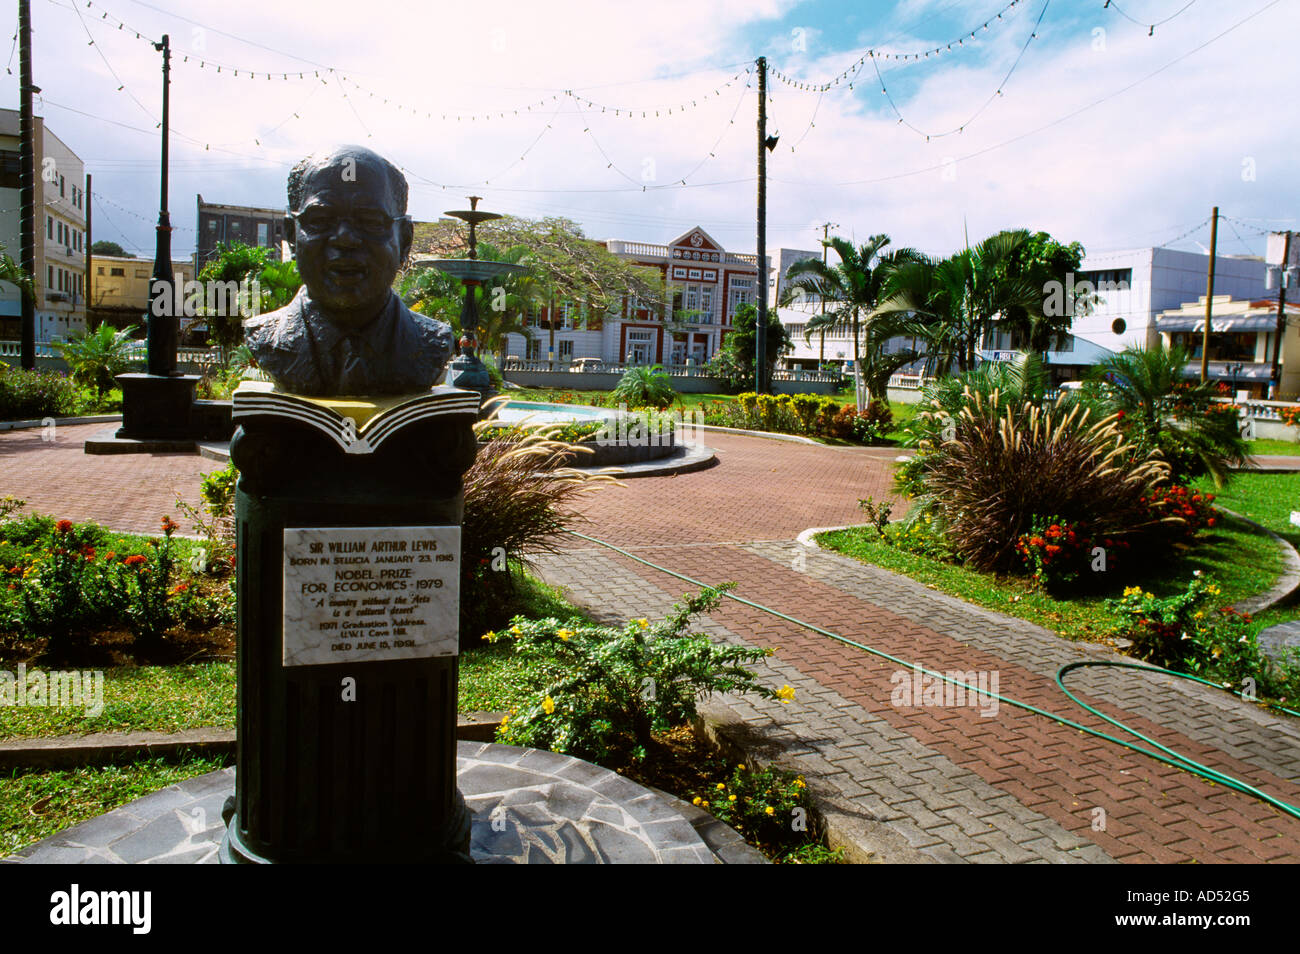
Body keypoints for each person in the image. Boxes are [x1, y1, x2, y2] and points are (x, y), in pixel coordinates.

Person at [244, 145, 453, 396]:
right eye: (321, 219)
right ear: (291, 237)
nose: (345, 238)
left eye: (370, 221)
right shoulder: (266, 336)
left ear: (405, 240)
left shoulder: (431, 341)